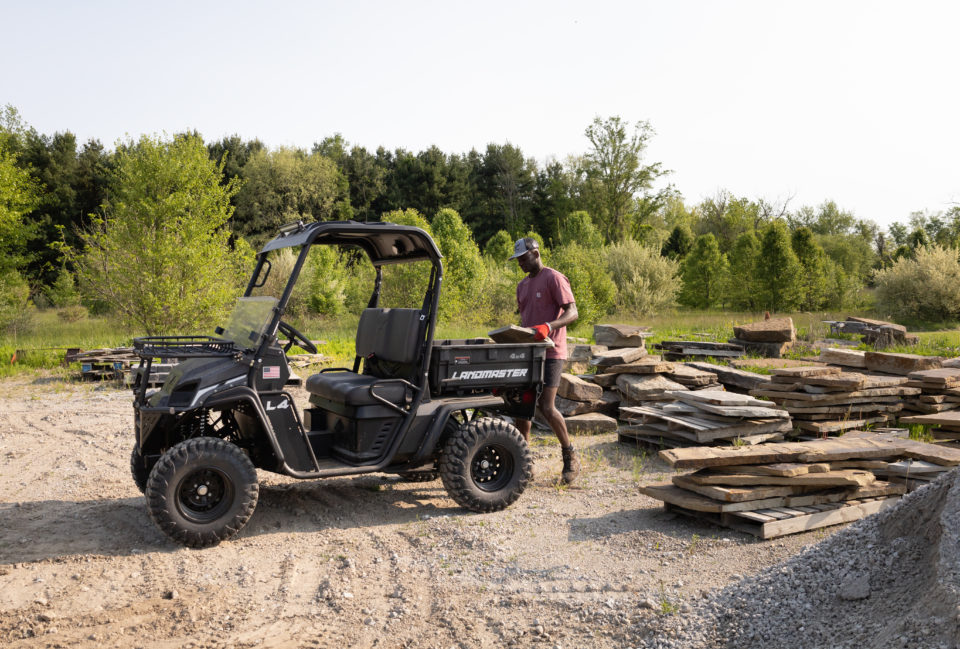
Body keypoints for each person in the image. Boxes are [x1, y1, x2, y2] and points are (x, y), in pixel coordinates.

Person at [508, 237, 581, 485]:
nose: (520, 263)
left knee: (546, 406)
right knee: (522, 407)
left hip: (551, 351)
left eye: (523, 258)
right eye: (517, 260)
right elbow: (527, 318)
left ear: (536, 253)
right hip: (529, 352)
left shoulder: (554, 278)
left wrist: (549, 326)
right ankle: (524, 462)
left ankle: (570, 455)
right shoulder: (521, 286)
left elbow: (573, 312)